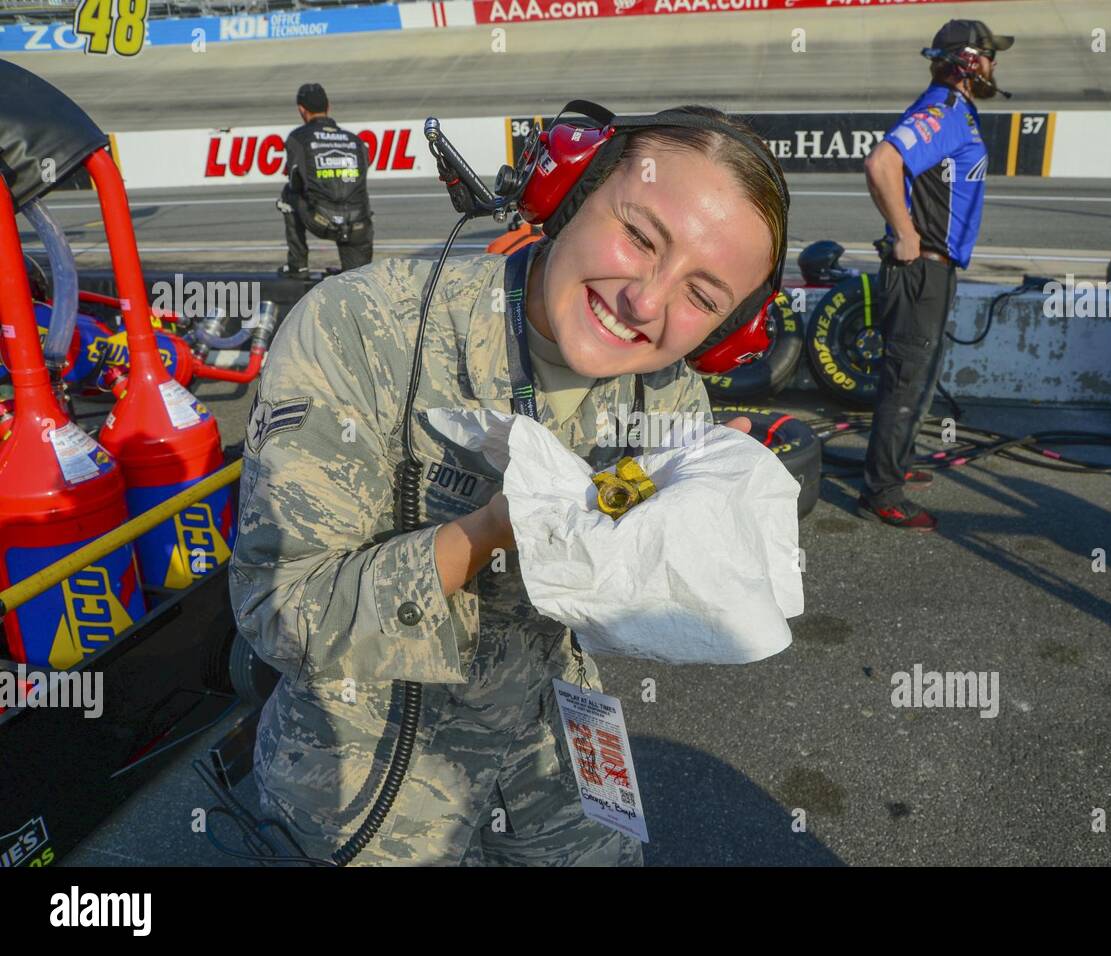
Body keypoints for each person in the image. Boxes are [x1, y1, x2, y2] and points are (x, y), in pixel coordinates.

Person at [230, 104, 787, 865]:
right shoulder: (360, 328)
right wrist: (482, 534)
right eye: (639, 237)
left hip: (554, 742)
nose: (646, 304)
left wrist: (698, 525)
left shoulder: (667, 394)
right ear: (568, 192)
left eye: (703, 296)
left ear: (729, 332)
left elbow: (624, 578)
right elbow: (278, 613)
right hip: (369, 779)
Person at [858, 19, 1012, 531]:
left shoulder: (959, 112)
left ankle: (893, 465)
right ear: (969, 62)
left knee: (917, 377)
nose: (994, 67)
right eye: (989, 57)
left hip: (935, 270)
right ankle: (882, 492)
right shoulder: (942, 110)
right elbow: (882, 162)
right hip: (920, 267)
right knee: (905, 380)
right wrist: (905, 233)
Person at [276, 83, 373, 277]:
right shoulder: (355, 140)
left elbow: (296, 181)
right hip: (358, 226)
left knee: (288, 194)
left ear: (301, 110)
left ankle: (299, 266)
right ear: (328, 107)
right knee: (358, 278)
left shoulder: (298, 138)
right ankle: (355, 272)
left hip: (322, 221)